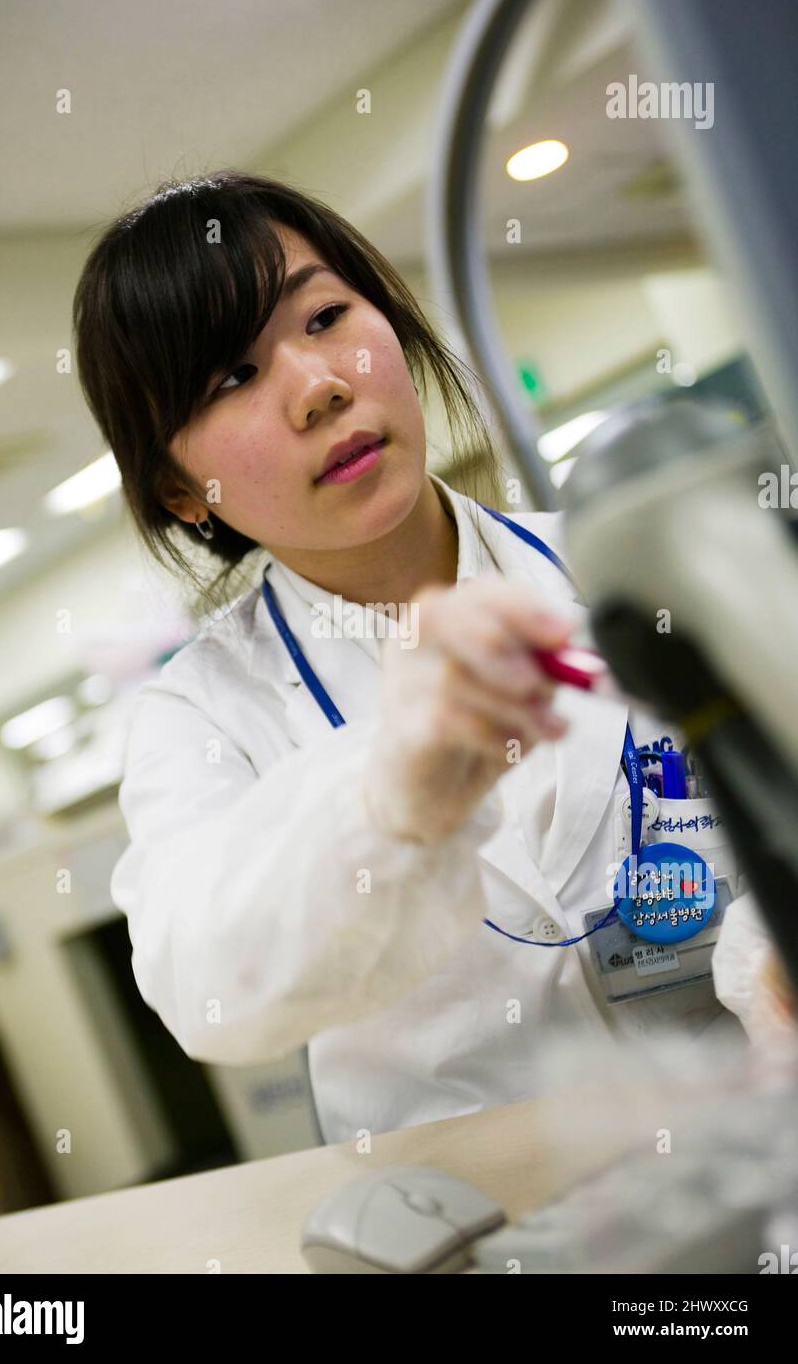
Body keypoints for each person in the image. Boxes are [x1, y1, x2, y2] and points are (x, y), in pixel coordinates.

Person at [72, 169, 793, 1145]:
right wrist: (384, 800)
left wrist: (768, 955)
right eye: (232, 378)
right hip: (471, 1218)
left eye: (325, 316)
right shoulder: (203, 714)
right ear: (180, 490)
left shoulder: (626, 559)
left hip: (759, 1135)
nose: (319, 386)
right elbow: (206, 991)